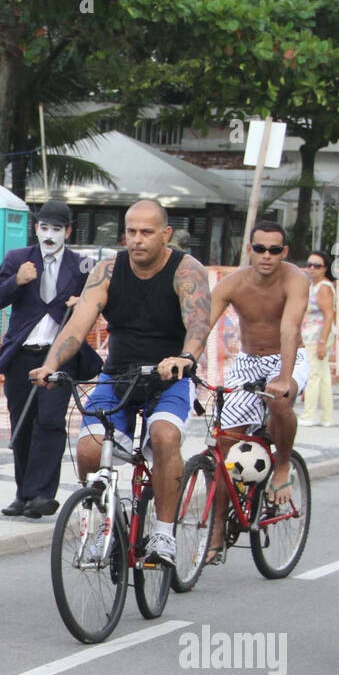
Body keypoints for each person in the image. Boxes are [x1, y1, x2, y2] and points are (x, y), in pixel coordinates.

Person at [29, 199, 211, 567]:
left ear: (165, 234)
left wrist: (185, 359)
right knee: (89, 450)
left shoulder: (186, 270)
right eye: (131, 232)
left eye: (146, 232)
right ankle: (103, 527)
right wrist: (50, 365)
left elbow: (198, 325)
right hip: (119, 374)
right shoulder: (108, 269)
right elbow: (78, 326)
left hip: (169, 375)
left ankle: (163, 531)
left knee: (163, 437)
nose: (137, 240)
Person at [200, 221, 309, 564]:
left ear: (284, 252)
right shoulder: (231, 284)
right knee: (223, 444)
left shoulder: (296, 279)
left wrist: (285, 376)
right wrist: (184, 361)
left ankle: (282, 467)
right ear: (248, 249)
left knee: (280, 398)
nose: (266, 256)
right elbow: (203, 326)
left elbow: (290, 328)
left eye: (274, 250)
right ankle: (216, 532)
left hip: (288, 357)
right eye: (259, 248)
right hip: (248, 361)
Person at [0, 199, 99, 518]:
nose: (49, 235)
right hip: (22, 354)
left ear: (68, 232)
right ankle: (24, 494)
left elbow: (101, 304)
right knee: (21, 425)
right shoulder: (17, 258)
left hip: (59, 357)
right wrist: (16, 281)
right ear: (36, 228)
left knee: (49, 422)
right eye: (44, 228)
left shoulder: (83, 265)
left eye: (57, 229)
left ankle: (42, 495)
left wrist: (85, 302)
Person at [299, 250, 337, 428]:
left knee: (312, 375)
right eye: (309, 265)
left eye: (317, 265)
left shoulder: (323, 287)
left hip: (317, 335)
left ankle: (309, 414)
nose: (312, 268)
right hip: (313, 334)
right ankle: (327, 416)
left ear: (325, 268)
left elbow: (329, 314)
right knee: (322, 376)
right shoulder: (314, 285)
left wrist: (322, 341)